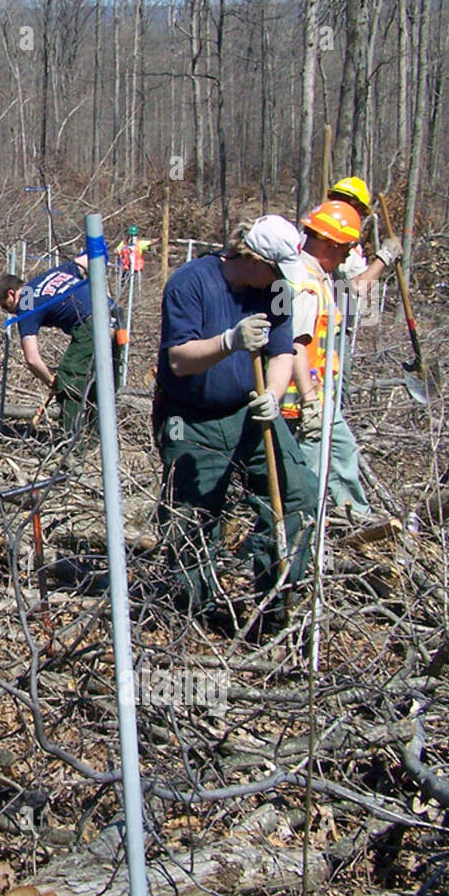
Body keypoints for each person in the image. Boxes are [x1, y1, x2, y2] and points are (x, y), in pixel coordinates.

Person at [153, 215, 318, 633]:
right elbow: (179, 359)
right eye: (276, 268)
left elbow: (283, 350)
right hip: (190, 418)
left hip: (250, 411)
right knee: (191, 517)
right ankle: (192, 619)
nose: (282, 278)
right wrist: (230, 341)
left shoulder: (278, 288)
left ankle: (275, 602)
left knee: (297, 492)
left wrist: (273, 397)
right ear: (253, 258)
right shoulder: (189, 283)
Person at [282, 200, 373, 519]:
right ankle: (305, 523)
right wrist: (309, 401)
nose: (347, 257)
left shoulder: (312, 276)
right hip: (302, 397)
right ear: (330, 245)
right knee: (309, 469)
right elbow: (294, 344)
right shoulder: (304, 281)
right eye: (345, 250)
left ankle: (353, 514)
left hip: (315, 393)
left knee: (341, 450)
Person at [0, 256, 127, 440]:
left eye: (4, 305)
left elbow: (32, 359)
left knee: (69, 380)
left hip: (92, 323)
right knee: (103, 381)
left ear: (12, 294)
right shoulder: (48, 277)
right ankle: (99, 443)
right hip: (116, 316)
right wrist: (106, 295)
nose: (6, 312)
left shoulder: (26, 303)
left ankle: (72, 447)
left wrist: (53, 382)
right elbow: (91, 259)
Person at [325, 176, 400, 392]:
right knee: (334, 399)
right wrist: (385, 257)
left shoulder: (317, 231)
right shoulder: (335, 237)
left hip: (324, 327)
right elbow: (358, 286)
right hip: (331, 333)